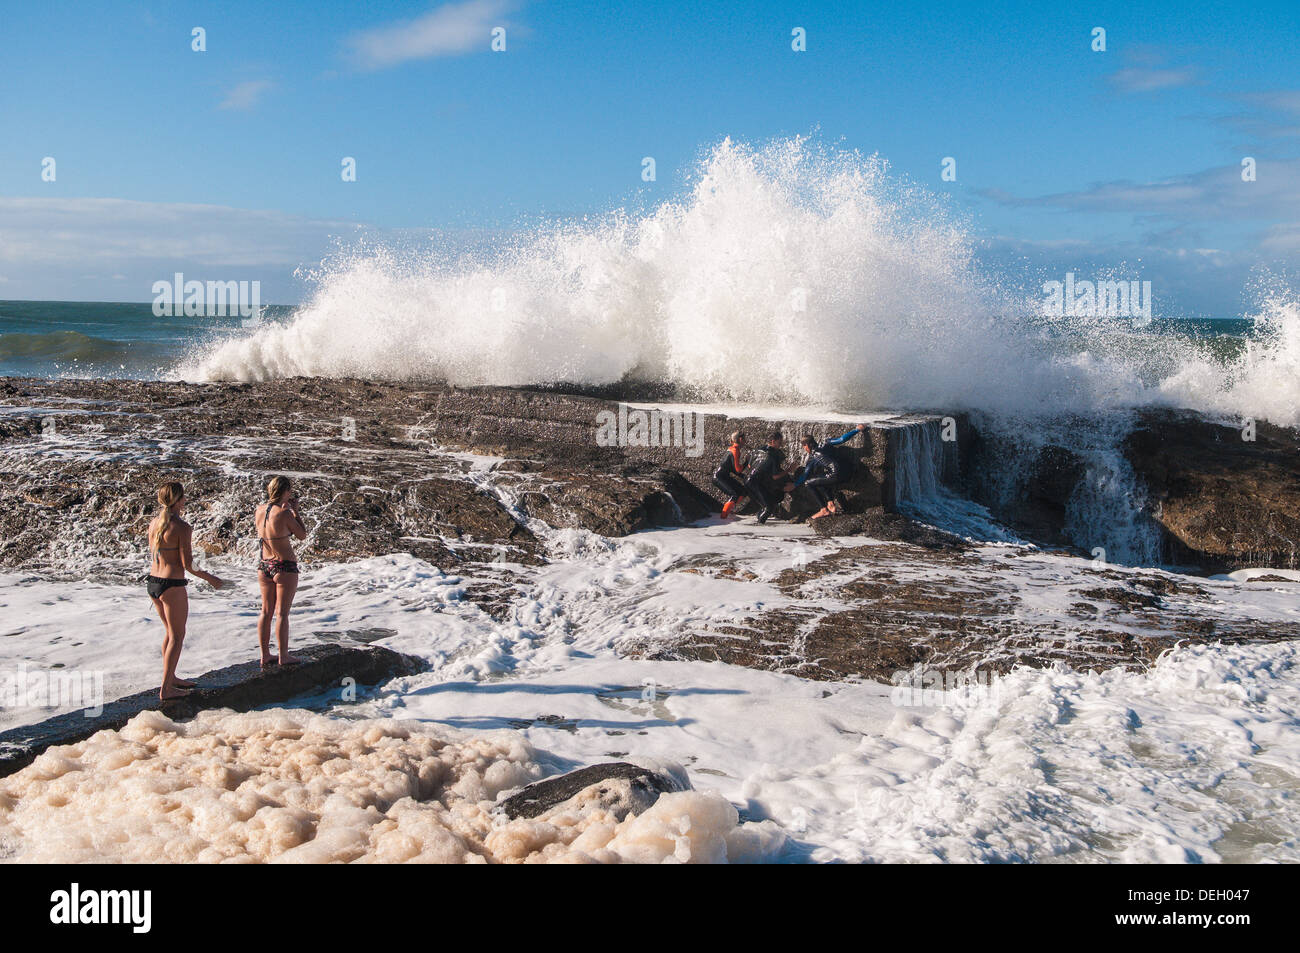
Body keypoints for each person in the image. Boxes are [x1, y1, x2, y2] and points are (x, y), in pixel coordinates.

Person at [146, 481, 224, 700]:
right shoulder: (182, 527)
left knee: (170, 634)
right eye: (184, 497)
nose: (186, 500)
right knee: (178, 636)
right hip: (172, 585)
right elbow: (188, 564)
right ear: (179, 500)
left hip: (153, 583)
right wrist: (211, 578)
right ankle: (166, 689)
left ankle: (170, 678)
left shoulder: (154, 524)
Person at [255, 476, 307, 667]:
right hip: (284, 566)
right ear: (284, 492)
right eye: (289, 491)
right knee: (282, 614)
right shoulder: (284, 514)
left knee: (265, 612)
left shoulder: (259, 511)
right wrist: (295, 512)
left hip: (264, 565)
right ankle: (283, 656)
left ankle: (264, 655)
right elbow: (302, 535)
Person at [794, 425, 866, 519]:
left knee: (809, 483)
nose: (805, 449)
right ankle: (830, 503)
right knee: (819, 476)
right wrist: (857, 429)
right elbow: (841, 439)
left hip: (837, 476)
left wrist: (795, 485)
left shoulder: (812, 459)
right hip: (849, 471)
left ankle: (823, 510)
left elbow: (805, 475)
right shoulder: (826, 443)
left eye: (804, 447)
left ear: (806, 445)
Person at [745, 431, 796, 524]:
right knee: (769, 507)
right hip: (755, 484)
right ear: (773, 441)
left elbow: (749, 464)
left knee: (771, 501)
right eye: (779, 442)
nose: (781, 444)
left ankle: (758, 521)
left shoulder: (760, 449)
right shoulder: (773, 455)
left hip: (748, 480)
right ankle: (758, 528)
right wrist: (789, 469)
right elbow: (775, 476)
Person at [712, 430, 750, 518]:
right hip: (719, 477)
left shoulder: (733, 449)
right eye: (744, 439)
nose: (745, 442)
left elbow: (733, 469)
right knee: (735, 494)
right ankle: (723, 516)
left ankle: (731, 510)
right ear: (740, 439)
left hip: (724, 476)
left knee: (743, 491)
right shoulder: (735, 451)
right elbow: (738, 470)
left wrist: (743, 476)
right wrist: (746, 462)